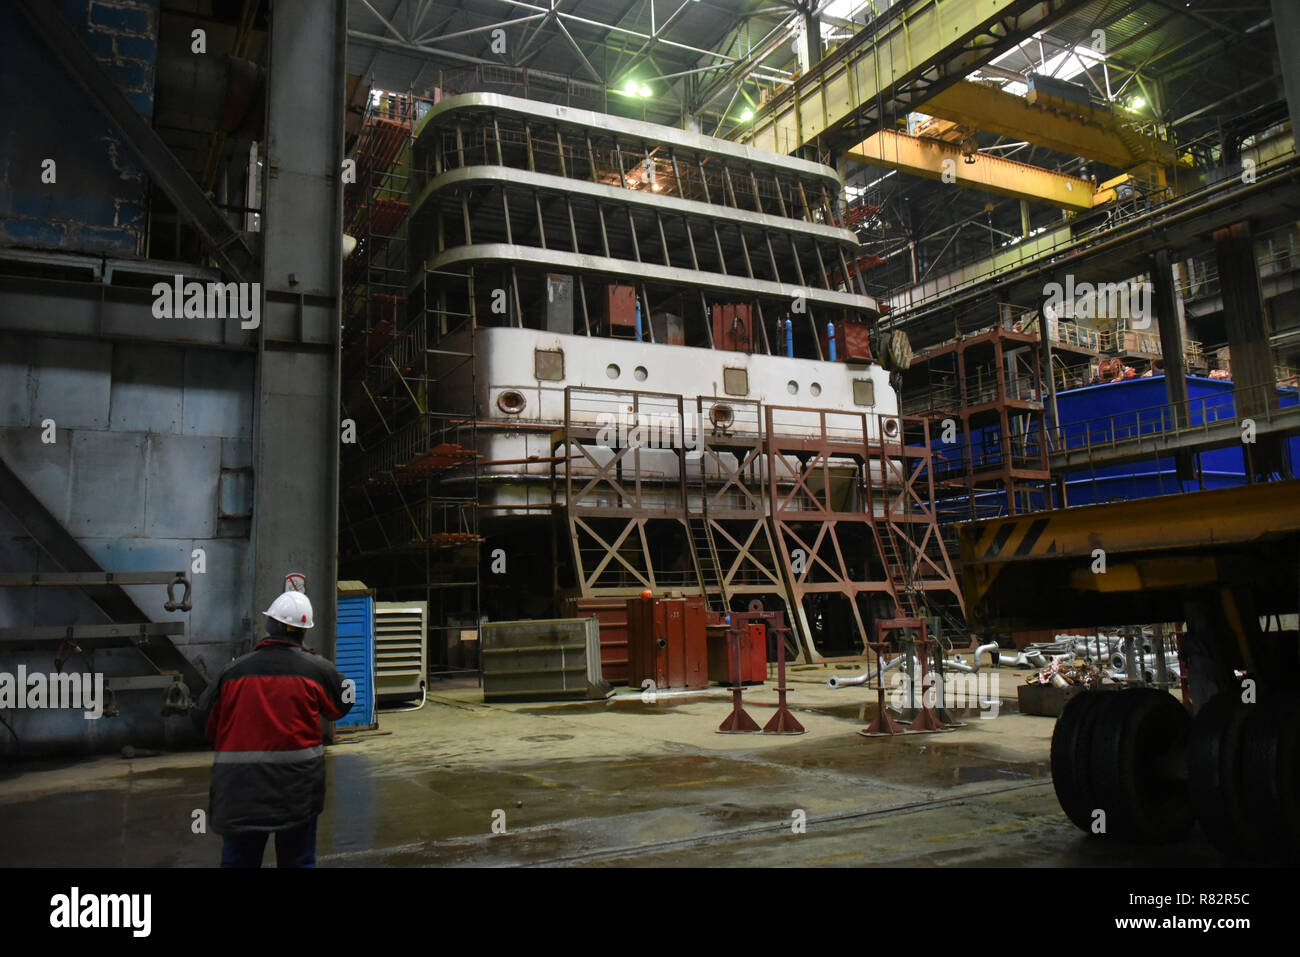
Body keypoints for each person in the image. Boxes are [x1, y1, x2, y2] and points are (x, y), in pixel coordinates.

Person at [192, 587, 351, 867]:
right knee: (298, 861)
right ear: (304, 631)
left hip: (240, 793)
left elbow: (202, 721)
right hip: (297, 794)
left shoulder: (231, 673)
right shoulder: (318, 671)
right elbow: (344, 702)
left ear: (270, 625)